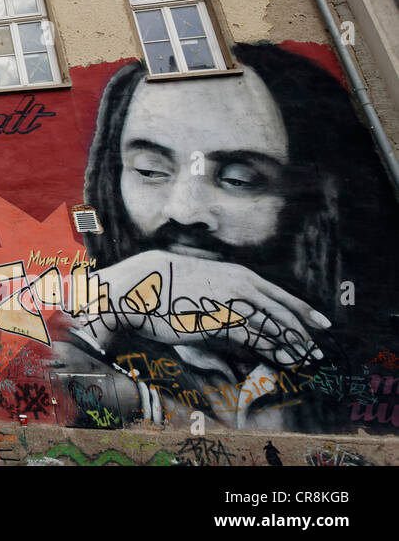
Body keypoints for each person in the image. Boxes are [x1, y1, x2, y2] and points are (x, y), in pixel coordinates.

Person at [57, 42, 396, 432]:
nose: (184, 211)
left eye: (239, 179)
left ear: (318, 202)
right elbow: (34, 391)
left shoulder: (371, 364)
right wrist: (110, 300)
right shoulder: (111, 345)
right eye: (150, 170)